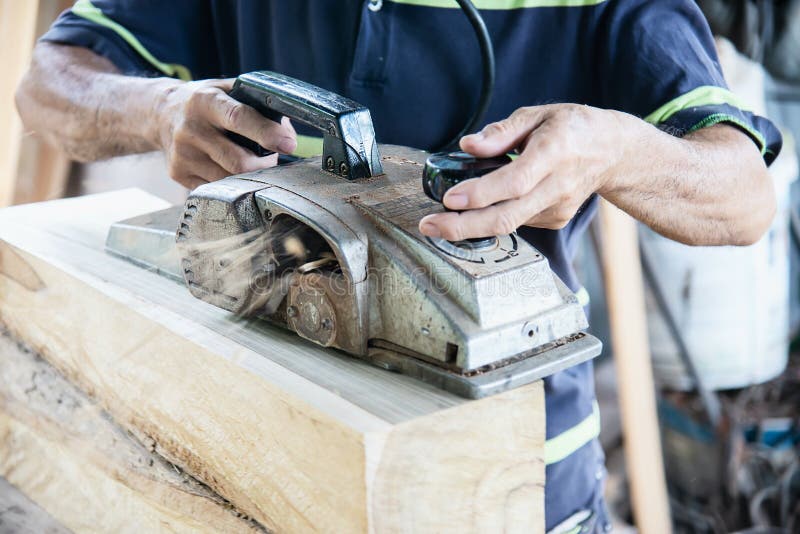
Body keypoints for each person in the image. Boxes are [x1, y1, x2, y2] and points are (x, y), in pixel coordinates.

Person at [15, 1, 782, 531]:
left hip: (510, 475)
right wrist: (158, 110)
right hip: (248, 456)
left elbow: (742, 195)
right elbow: (47, 85)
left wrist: (616, 151)